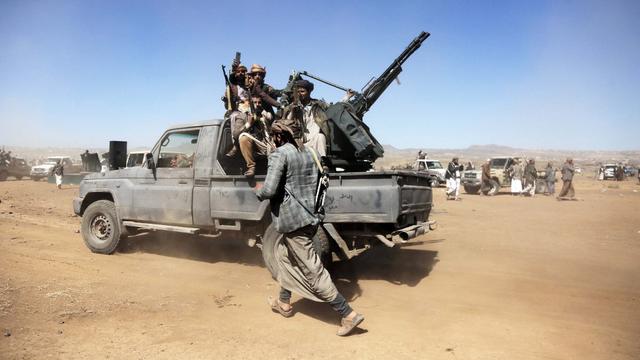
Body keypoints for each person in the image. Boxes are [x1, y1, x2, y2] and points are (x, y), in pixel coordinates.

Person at [255, 122, 364, 336]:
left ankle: (347, 314)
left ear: (278, 136)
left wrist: (258, 190)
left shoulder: (280, 154)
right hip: (311, 218)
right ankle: (283, 302)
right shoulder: (312, 152)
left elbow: (268, 190)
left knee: (312, 270)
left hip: (293, 222)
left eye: (274, 136)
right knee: (285, 257)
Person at [279, 80, 330, 156]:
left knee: (320, 137)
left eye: (302, 91)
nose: (299, 94)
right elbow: (287, 124)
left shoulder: (318, 104)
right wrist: (293, 111)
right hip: (298, 142)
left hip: (313, 141)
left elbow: (333, 110)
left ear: (309, 92)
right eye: (298, 92)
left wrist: (347, 97)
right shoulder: (291, 107)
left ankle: (322, 163)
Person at [238, 95, 275, 176]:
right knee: (243, 138)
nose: (257, 104)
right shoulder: (243, 115)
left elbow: (271, 121)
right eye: (255, 102)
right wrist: (248, 124)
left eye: (259, 102)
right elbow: (236, 133)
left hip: (266, 144)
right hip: (253, 145)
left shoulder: (264, 115)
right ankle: (251, 167)